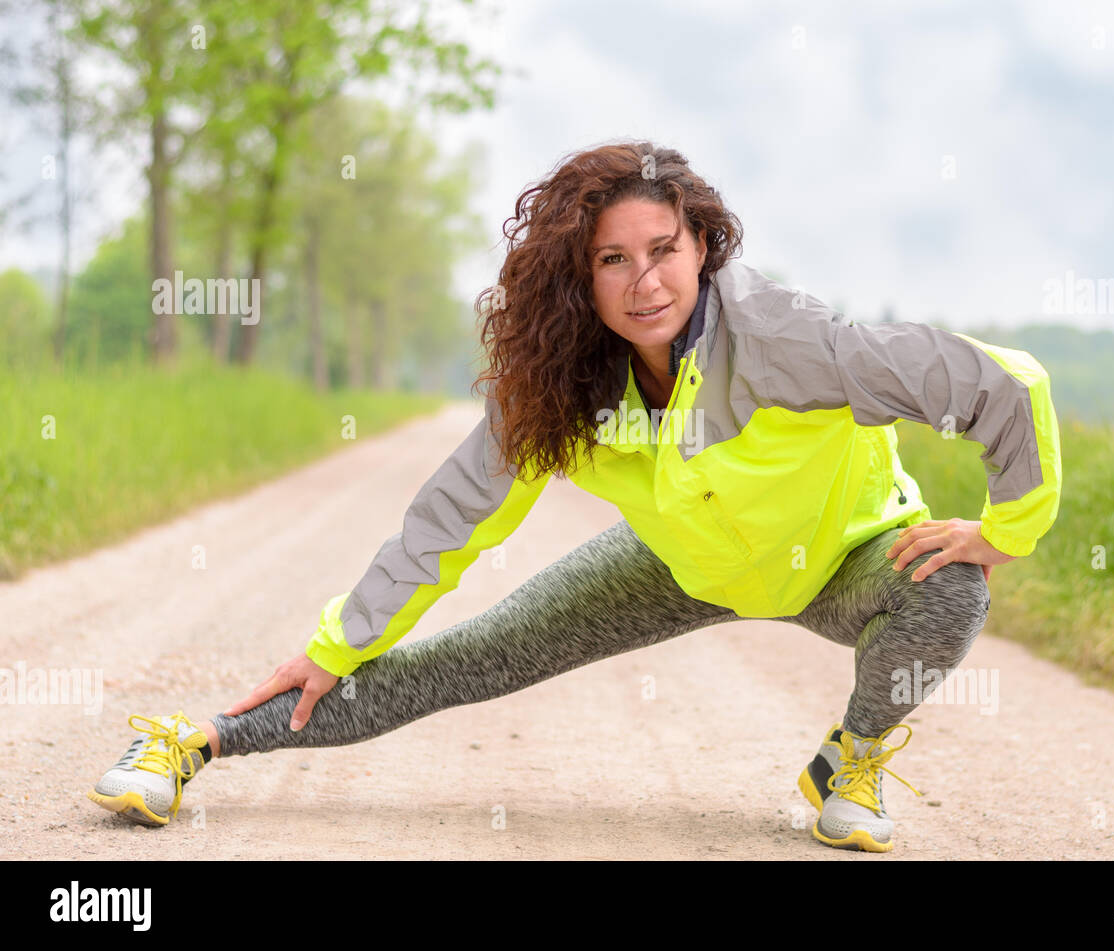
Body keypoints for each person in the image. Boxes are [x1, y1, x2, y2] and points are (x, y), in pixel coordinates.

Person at [87, 141, 1062, 853]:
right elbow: (447, 524)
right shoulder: (561, 387)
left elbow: (1001, 383)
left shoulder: (787, 343)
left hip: (841, 557)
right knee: (478, 657)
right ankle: (194, 741)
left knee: (949, 591)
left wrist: (1007, 528)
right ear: (578, 276)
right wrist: (335, 647)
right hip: (685, 566)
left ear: (702, 247)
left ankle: (851, 755)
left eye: (664, 248)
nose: (645, 280)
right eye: (611, 259)